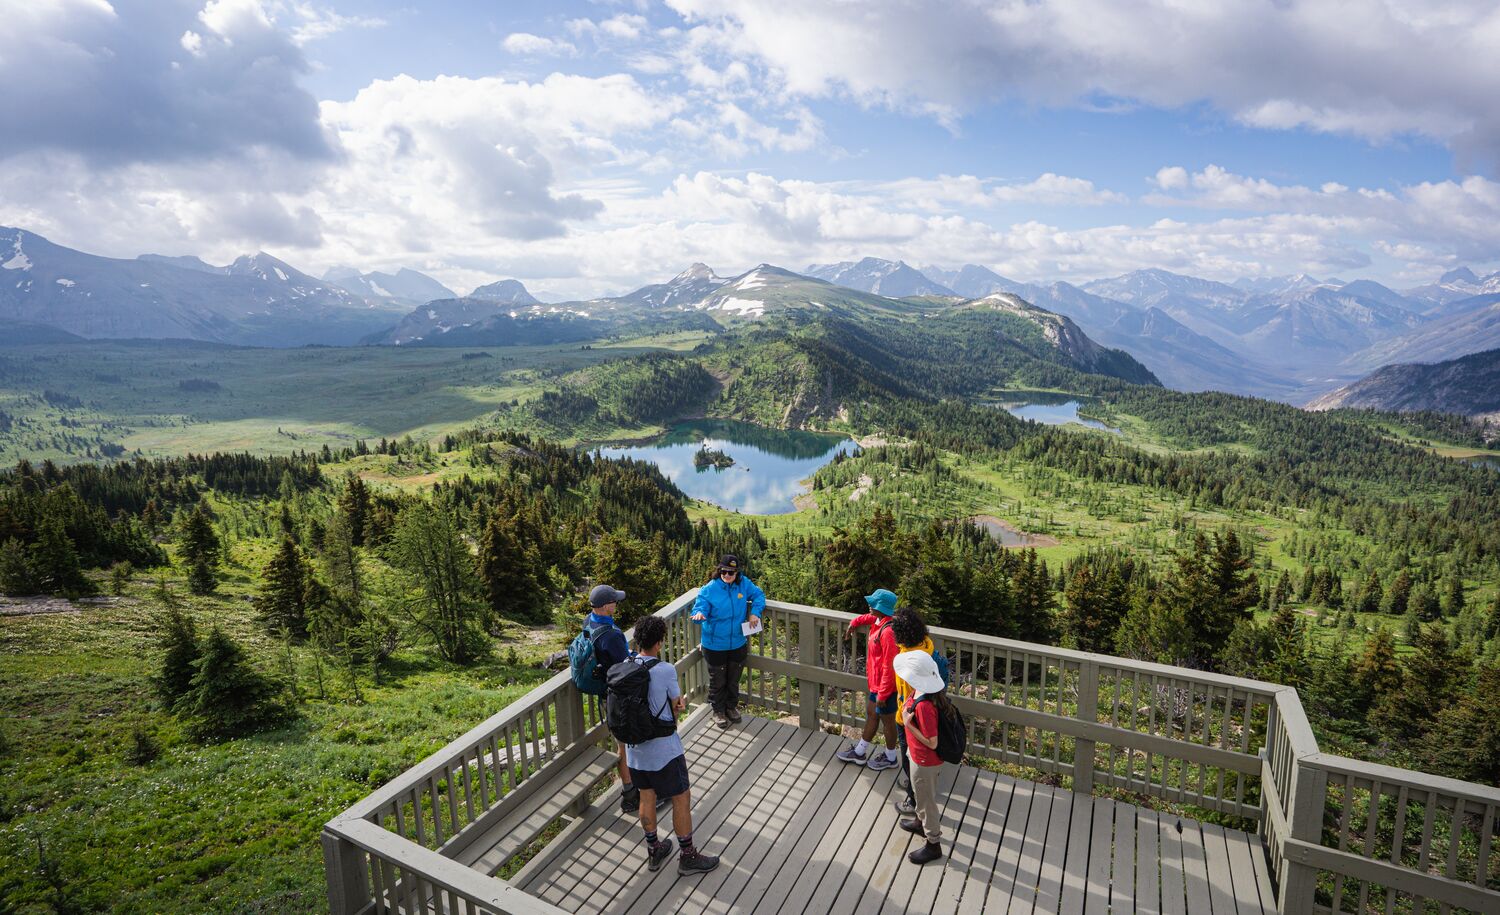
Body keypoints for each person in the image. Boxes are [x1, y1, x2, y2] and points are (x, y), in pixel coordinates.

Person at [626, 614, 722, 876]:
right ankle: (688, 856)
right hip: (664, 750)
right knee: (681, 798)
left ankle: (654, 849)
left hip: (634, 751)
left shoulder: (624, 665)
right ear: (658, 643)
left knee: (646, 796)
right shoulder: (664, 670)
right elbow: (676, 705)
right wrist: (677, 706)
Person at [582, 584, 650, 814]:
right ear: (604, 606)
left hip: (605, 691)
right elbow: (625, 664)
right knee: (628, 742)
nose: (617, 604)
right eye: (614, 601)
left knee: (623, 742)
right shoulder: (611, 635)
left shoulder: (588, 622)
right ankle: (633, 793)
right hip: (619, 694)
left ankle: (631, 789)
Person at [689, 554, 765, 729]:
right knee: (718, 681)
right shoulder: (709, 589)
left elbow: (759, 595)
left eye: (731, 572)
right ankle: (718, 711)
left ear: (737, 573)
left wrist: (755, 612)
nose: (727, 575)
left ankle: (731, 708)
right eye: (724, 571)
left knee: (733, 679)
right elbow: (699, 608)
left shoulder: (743, 583)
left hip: (738, 641)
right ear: (719, 570)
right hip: (715, 644)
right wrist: (699, 615)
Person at [892, 650, 950, 865]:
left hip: (925, 760)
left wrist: (908, 724)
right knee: (919, 794)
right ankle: (919, 822)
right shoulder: (920, 691)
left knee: (927, 802)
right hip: (916, 754)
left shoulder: (925, 706)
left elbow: (932, 741)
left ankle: (933, 843)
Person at [834, 589, 901, 771]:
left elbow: (890, 666)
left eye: (874, 603)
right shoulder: (879, 621)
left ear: (882, 608)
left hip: (885, 687)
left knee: (887, 721)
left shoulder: (888, 633)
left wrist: (883, 693)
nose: (870, 606)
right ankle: (860, 752)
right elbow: (867, 617)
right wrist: (854, 623)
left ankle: (890, 757)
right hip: (877, 684)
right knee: (873, 715)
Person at [889, 607, 936, 815]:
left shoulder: (908, 657)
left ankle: (913, 798)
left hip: (909, 716)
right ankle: (913, 785)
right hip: (924, 712)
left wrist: (905, 716)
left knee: (910, 756)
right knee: (914, 757)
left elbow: (908, 691)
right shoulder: (926, 646)